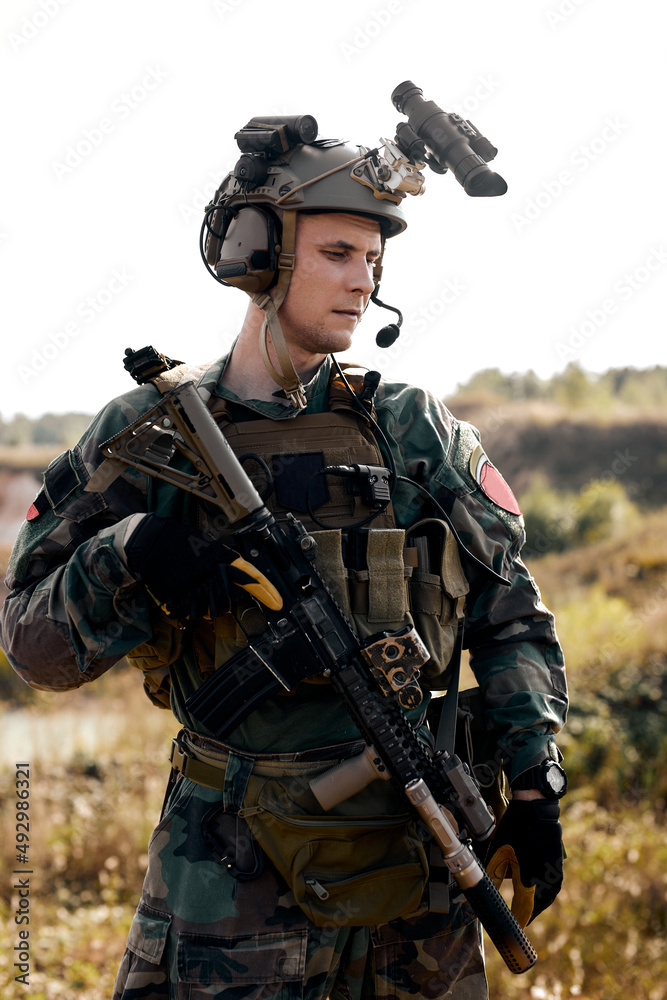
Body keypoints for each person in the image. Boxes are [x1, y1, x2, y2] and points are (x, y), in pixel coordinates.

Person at [0, 117, 568, 999]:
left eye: (374, 259)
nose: (363, 280)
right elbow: (33, 652)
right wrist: (129, 557)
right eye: (338, 252)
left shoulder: (412, 431)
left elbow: (511, 617)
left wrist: (535, 782)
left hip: (413, 871)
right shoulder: (150, 435)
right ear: (258, 258)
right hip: (228, 879)